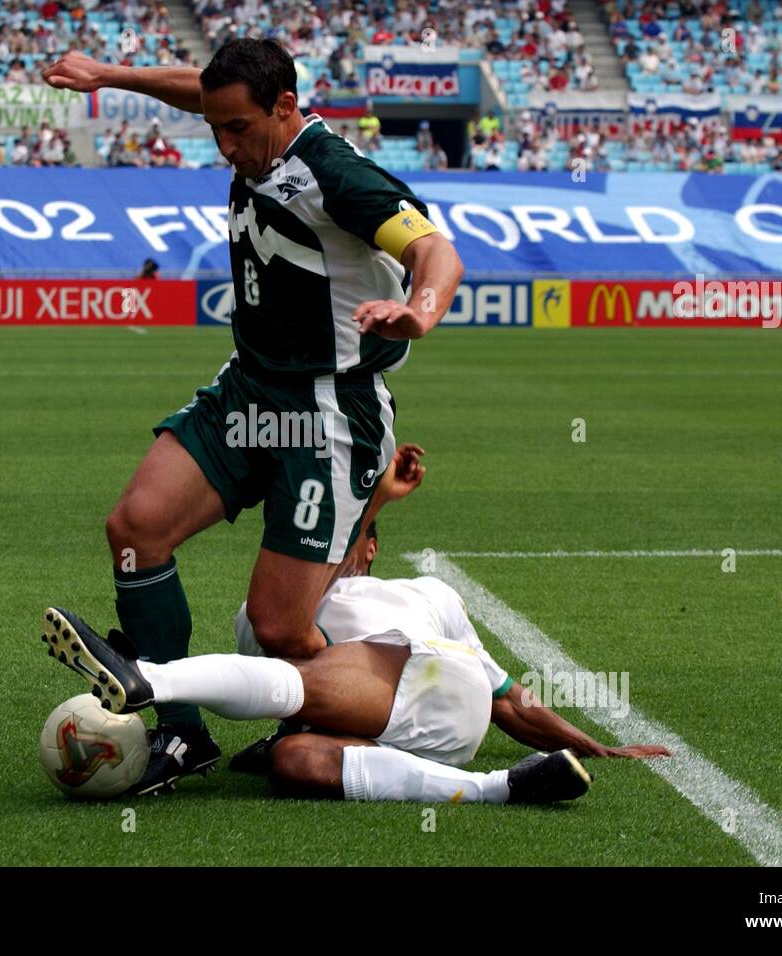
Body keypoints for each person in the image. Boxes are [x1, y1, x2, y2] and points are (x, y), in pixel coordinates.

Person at [41, 38, 465, 794]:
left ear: (286, 108)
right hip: (249, 392)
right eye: (216, 128)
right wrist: (110, 75)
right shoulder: (248, 129)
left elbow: (436, 249)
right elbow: (199, 90)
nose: (227, 145)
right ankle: (181, 733)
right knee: (136, 527)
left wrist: (419, 310)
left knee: (279, 628)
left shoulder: (336, 174)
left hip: (328, 415)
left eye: (240, 128)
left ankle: (363, 717)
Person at [40, 447, 668, 803]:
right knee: (293, 763)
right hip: (415, 742)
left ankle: (147, 677)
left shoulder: (424, 592)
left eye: (356, 536)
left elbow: (511, 700)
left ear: (369, 550)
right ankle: (498, 788)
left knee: (299, 670)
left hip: (434, 683)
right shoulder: (264, 615)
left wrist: (593, 742)